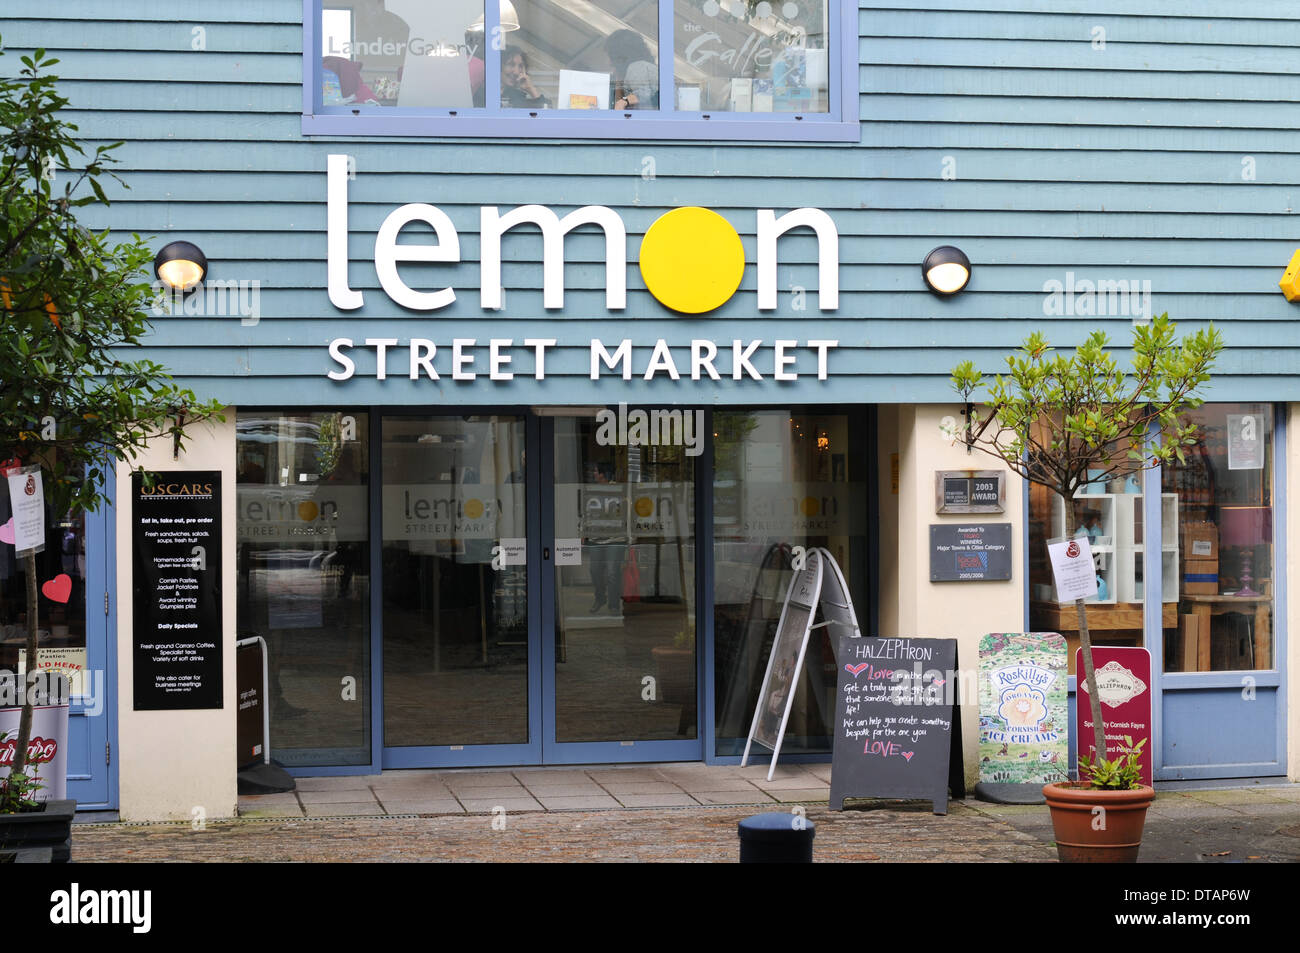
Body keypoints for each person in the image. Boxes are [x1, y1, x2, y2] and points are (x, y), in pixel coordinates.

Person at [604, 30, 656, 110]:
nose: (609, 62)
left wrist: (622, 102)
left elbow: (643, 93)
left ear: (618, 54)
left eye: (610, 54)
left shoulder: (637, 66)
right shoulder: (645, 67)